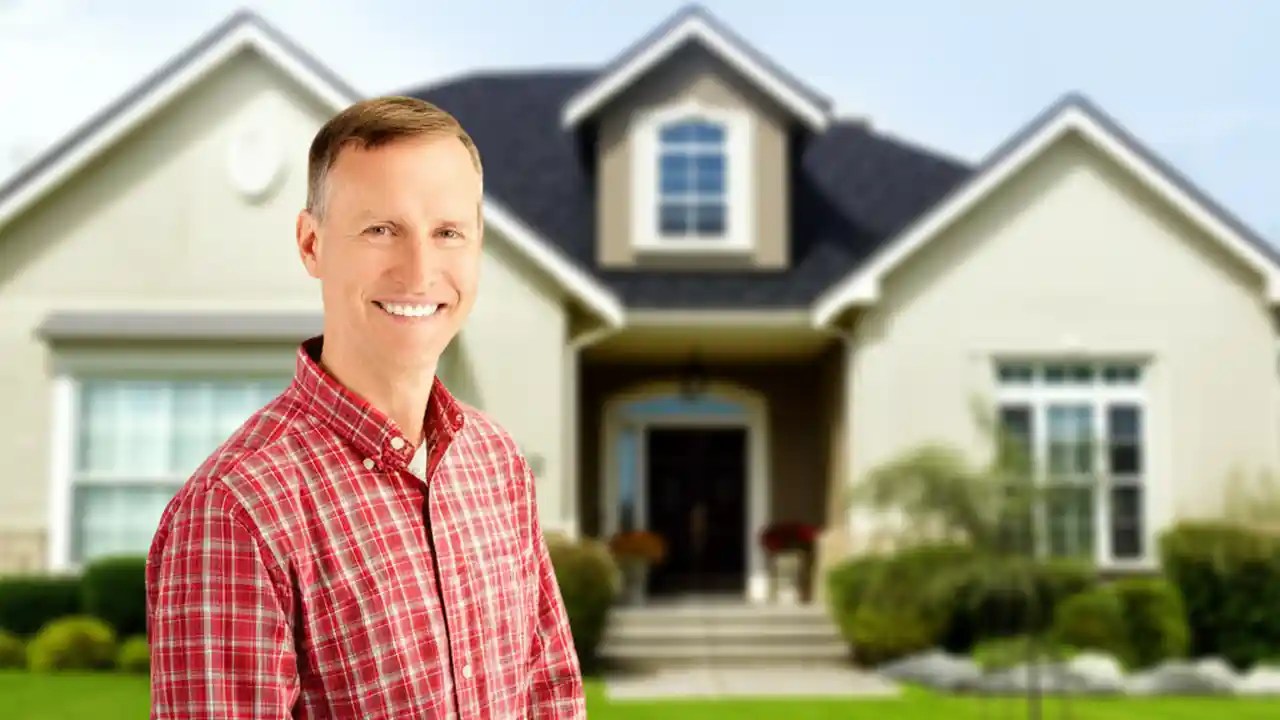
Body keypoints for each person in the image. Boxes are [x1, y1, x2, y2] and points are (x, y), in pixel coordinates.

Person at [145, 96, 586, 718]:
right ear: (311, 244)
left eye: (448, 232)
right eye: (381, 230)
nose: (419, 270)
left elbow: (550, 694)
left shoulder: (496, 463)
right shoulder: (235, 512)